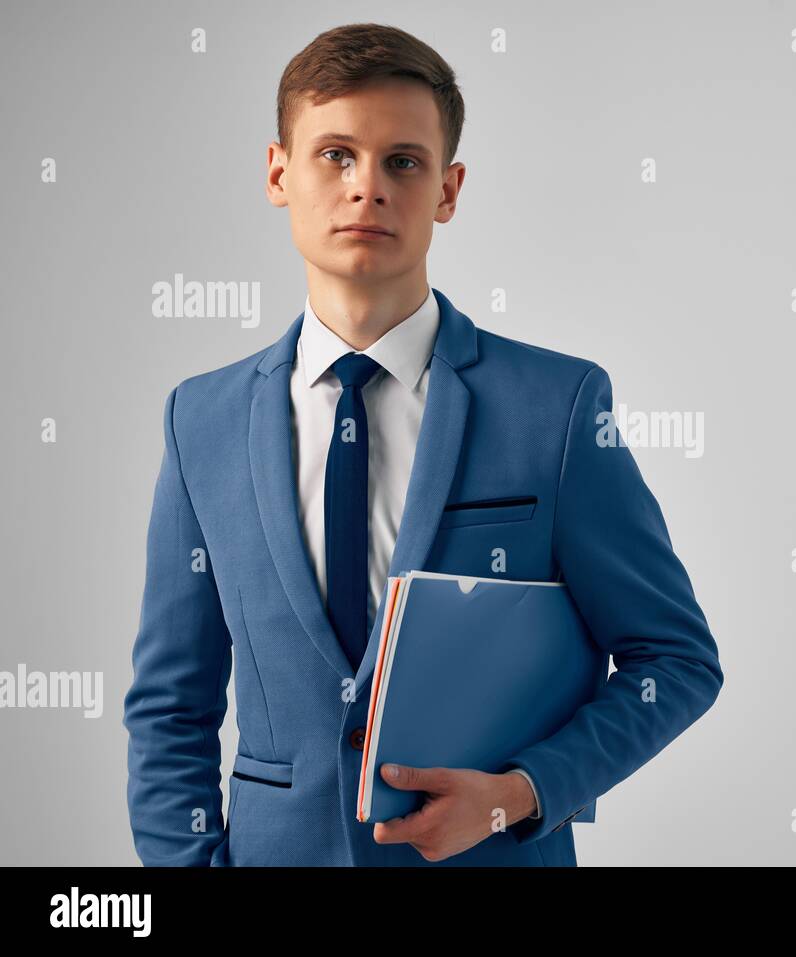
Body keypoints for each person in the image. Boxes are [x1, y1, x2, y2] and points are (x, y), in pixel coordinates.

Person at [122, 22, 722, 867]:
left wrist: (520, 793)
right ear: (277, 173)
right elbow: (169, 707)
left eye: (402, 161)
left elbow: (676, 659)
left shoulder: (555, 405)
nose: (366, 187)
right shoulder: (201, 420)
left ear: (447, 188)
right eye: (335, 154)